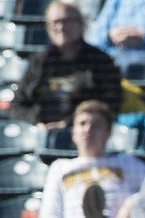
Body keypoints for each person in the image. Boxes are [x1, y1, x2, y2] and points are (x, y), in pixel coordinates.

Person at [38, 100, 145, 218]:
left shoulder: (126, 163)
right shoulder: (60, 167)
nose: (88, 129)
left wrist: (133, 202)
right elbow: (48, 217)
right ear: (73, 133)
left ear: (108, 133)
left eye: (95, 125)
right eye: (82, 124)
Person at [10, 0, 122, 130]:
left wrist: (69, 124)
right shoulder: (39, 61)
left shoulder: (100, 61)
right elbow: (17, 106)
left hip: (85, 133)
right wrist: (37, 123)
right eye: (55, 22)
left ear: (81, 24)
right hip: (40, 134)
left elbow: (110, 104)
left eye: (67, 21)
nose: (61, 27)